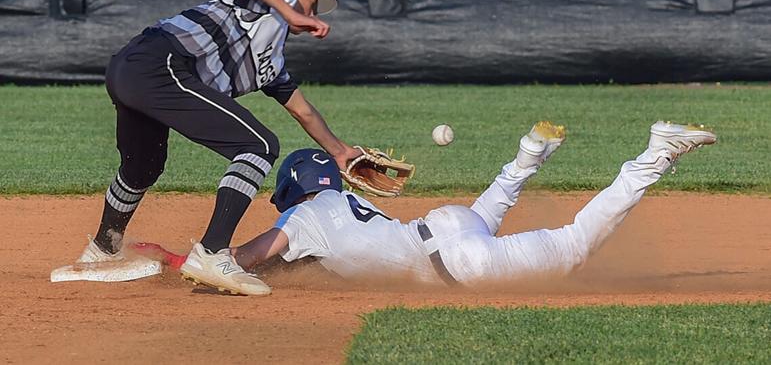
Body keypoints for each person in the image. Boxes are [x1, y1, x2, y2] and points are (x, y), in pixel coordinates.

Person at [77, 0, 361, 295]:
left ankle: (102, 250)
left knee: (143, 168)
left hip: (131, 69)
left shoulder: (270, 60)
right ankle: (212, 253)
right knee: (258, 146)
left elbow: (303, 110)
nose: (314, 12)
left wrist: (340, 151)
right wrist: (288, 9)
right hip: (159, 62)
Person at [230, 121, 716, 292]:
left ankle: (656, 153)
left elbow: (245, 261)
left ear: (291, 192)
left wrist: (193, 262)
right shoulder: (347, 199)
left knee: (576, 245)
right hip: (444, 223)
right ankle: (527, 155)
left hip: (458, 261)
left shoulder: (300, 219)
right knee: (483, 218)